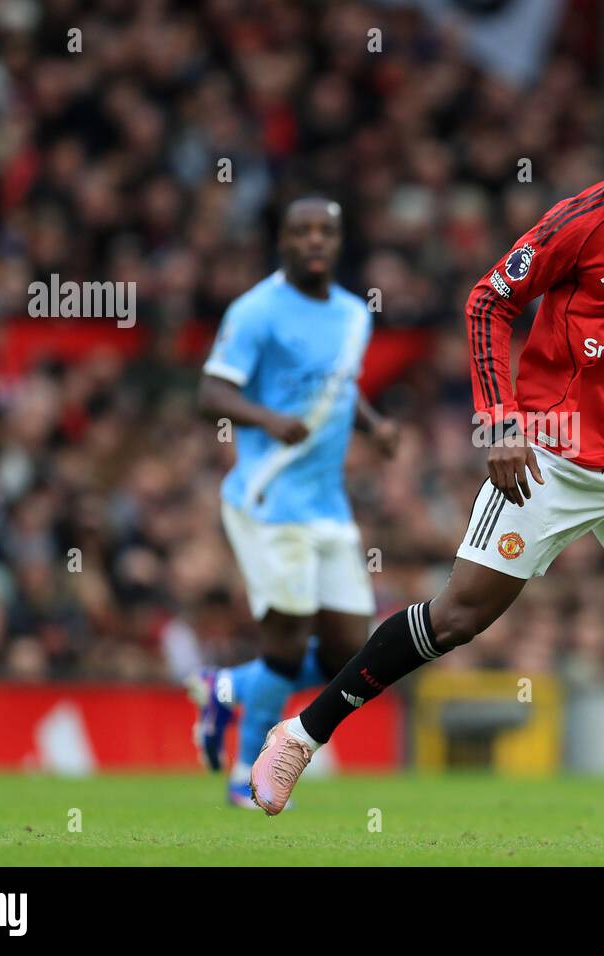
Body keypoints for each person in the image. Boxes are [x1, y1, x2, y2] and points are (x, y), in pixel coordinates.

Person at [250, 70, 604, 846]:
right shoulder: (579, 222)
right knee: (458, 618)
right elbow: (489, 300)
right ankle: (299, 737)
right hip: (549, 447)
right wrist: (499, 424)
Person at [190, 196, 397, 807]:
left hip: (327, 505)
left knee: (350, 653)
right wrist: (268, 420)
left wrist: (374, 424)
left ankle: (225, 689)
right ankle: (244, 779)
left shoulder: (355, 314)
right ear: (281, 241)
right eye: (300, 231)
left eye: (324, 231)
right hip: (268, 497)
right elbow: (210, 391)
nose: (313, 241)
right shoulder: (256, 310)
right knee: (284, 642)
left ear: (338, 241)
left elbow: (339, 386)